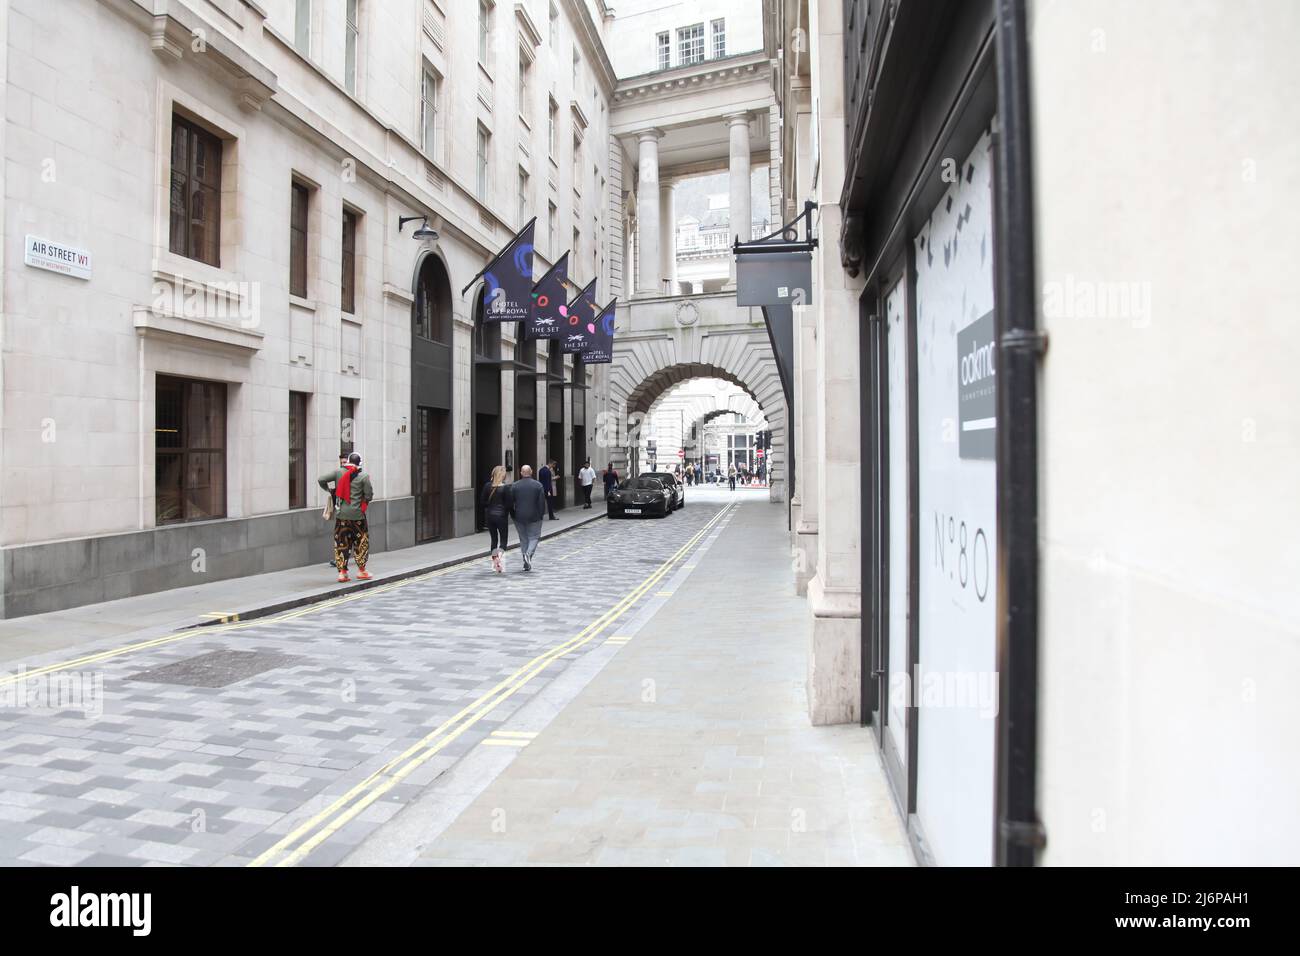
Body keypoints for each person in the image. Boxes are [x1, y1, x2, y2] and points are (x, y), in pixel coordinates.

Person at [318, 452, 373, 582]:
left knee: (341, 543)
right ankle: (361, 571)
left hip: (341, 515)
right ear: (360, 463)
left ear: (347, 461)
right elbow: (369, 495)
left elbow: (321, 479)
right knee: (361, 542)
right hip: (358, 516)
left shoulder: (338, 472)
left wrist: (330, 490)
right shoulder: (364, 476)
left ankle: (342, 573)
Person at [511, 465, 546, 571]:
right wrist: (541, 515)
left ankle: (526, 563)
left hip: (519, 516)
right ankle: (528, 555)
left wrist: (513, 515)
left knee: (523, 539)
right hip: (534, 516)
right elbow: (541, 503)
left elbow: (511, 502)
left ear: (521, 473)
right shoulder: (538, 485)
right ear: (531, 472)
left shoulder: (514, 486)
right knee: (534, 537)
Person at [480, 465, 513, 573]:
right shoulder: (506, 488)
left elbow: (482, 502)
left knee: (494, 540)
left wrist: (490, 506)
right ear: (503, 475)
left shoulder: (487, 486)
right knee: (503, 541)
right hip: (502, 517)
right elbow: (509, 505)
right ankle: (499, 556)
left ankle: (495, 561)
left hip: (490, 517)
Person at [325, 453, 348, 568]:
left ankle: (342, 559)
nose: (343, 465)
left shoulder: (341, 473)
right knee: (343, 534)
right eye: (341, 463)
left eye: (345, 462)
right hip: (343, 509)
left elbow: (321, 479)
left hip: (348, 510)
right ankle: (342, 557)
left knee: (342, 534)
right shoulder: (343, 473)